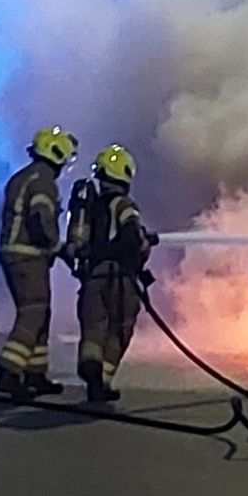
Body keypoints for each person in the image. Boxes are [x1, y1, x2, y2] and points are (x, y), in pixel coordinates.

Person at [0, 126, 79, 400]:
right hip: (27, 255)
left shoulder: (24, 177)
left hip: (17, 254)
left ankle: (35, 374)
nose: (66, 165)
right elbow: (41, 220)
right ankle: (9, 371)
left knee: (40, 312)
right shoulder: (43, 181)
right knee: (33, 311)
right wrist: (59, 248)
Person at [75, 145, 158, 402]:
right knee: (120, 328)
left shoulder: (91, 208)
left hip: (93, 276)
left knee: (93, 327)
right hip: (119, 277)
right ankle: (104, 379)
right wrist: (144, 244)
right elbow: (131, 237)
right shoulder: (123, 205)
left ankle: (90, 365)